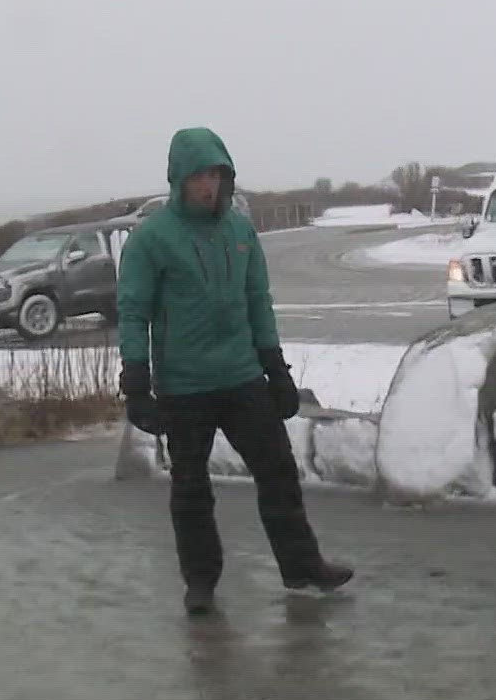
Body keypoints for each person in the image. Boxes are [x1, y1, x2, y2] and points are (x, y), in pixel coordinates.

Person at [117, 127, 353, 614]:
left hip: (242, 376)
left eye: (216, 175)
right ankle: (200, 581)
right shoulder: (151, 240)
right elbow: (134, 311)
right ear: (178, 179)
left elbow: (257, 302)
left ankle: (302, 566)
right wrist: (136, 384)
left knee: (279, 474)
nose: (208, 186)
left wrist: (276, 370)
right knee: (190, 488)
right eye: (198, 176)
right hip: (184, 386)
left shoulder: (240, 232)